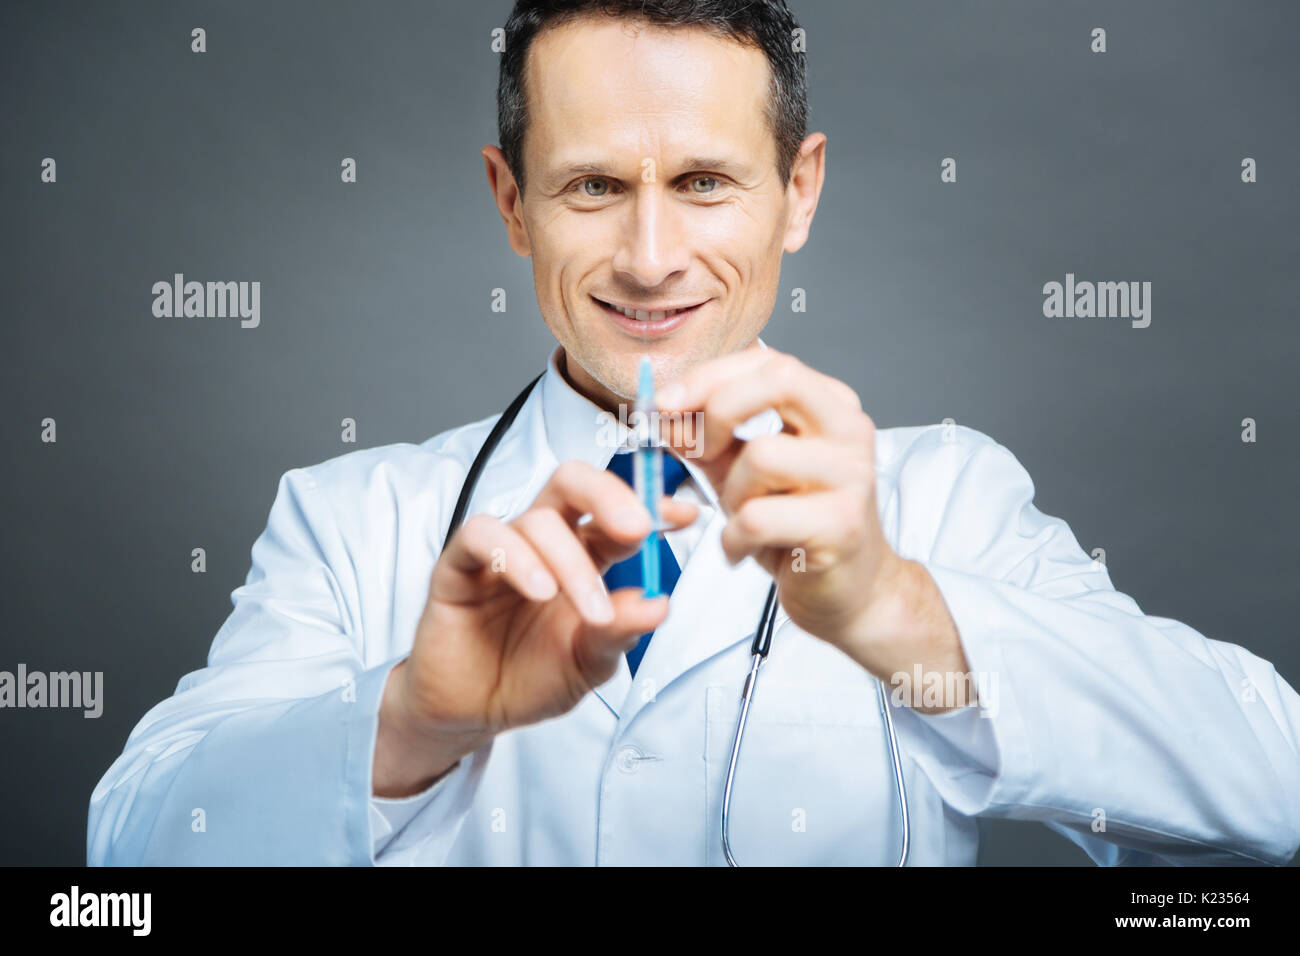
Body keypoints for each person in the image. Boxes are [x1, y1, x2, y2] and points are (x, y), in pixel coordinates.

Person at [88, 0, 1300, 866]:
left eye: (707, 183)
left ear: (801, 190)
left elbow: (1270, 790)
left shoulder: (945, 499)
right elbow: (124, 856)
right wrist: (414, 721)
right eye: (593, 186)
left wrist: (897, 614)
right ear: (512, 203)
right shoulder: (351, 519)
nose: (651, 258)